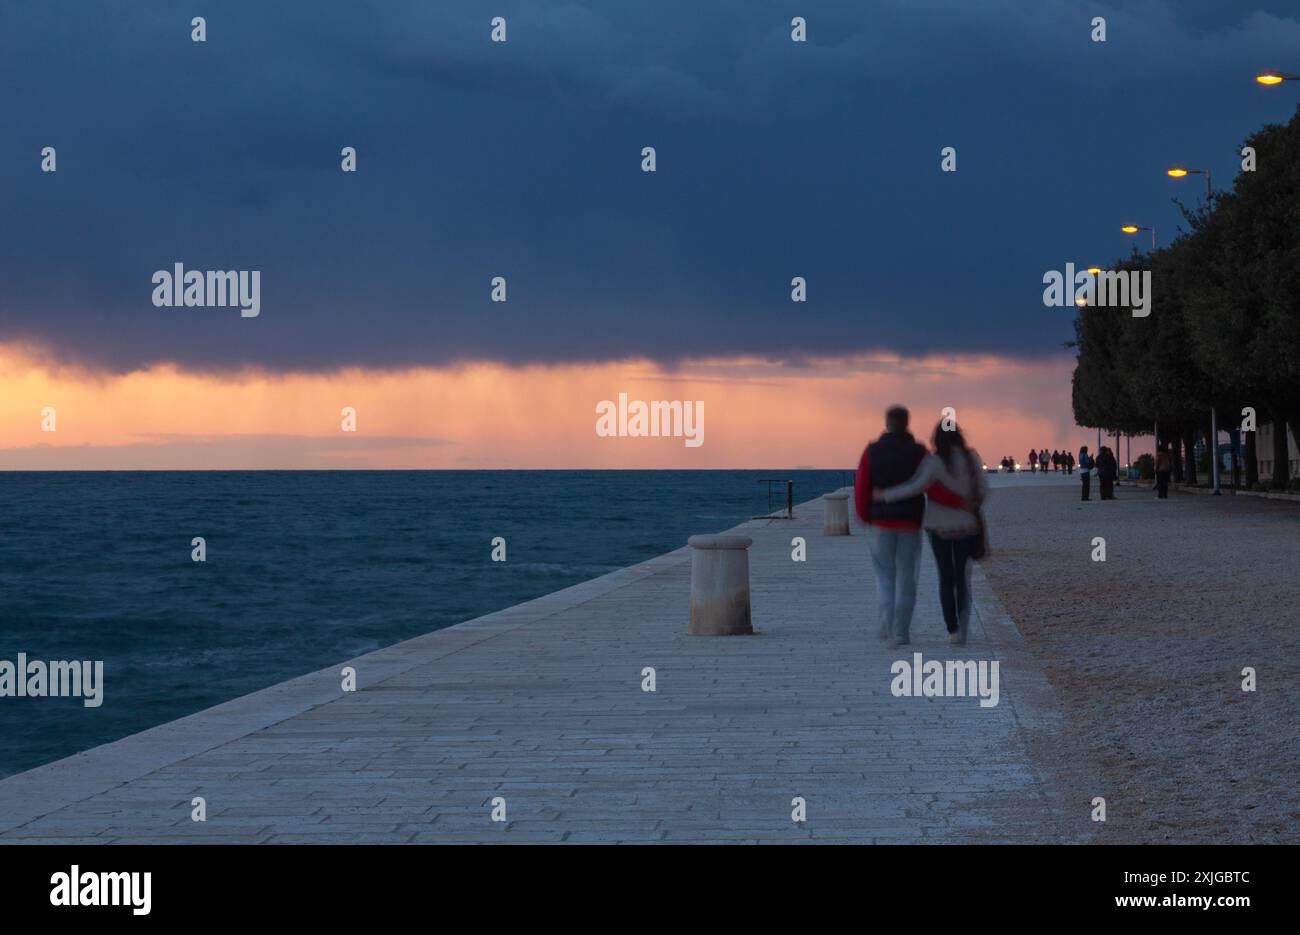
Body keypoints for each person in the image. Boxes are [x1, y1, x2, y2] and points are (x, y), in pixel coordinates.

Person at [854, 406, 967, 646]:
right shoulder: (919, 452)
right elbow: (931, 485)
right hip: (909, 523)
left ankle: (886, 622)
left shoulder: (872, 451)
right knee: (907, 577)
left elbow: (862, 485)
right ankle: (901, 633)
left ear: (886, 423)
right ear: (907, 423)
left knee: (885, 577)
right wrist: (960, 503)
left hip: (881, 524)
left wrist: (864, 515)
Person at [874, 421, 986, 645]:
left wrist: (885, 495)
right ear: (959, 436)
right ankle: (963, 625)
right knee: (963, 578)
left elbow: (915, 487)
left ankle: (952, 629)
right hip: (967, 526)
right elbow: (982, 490)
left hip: (939, 528)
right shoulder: (972, 458)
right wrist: (969, 505)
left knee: (946, 577)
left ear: (937, 439)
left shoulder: (934, 462)